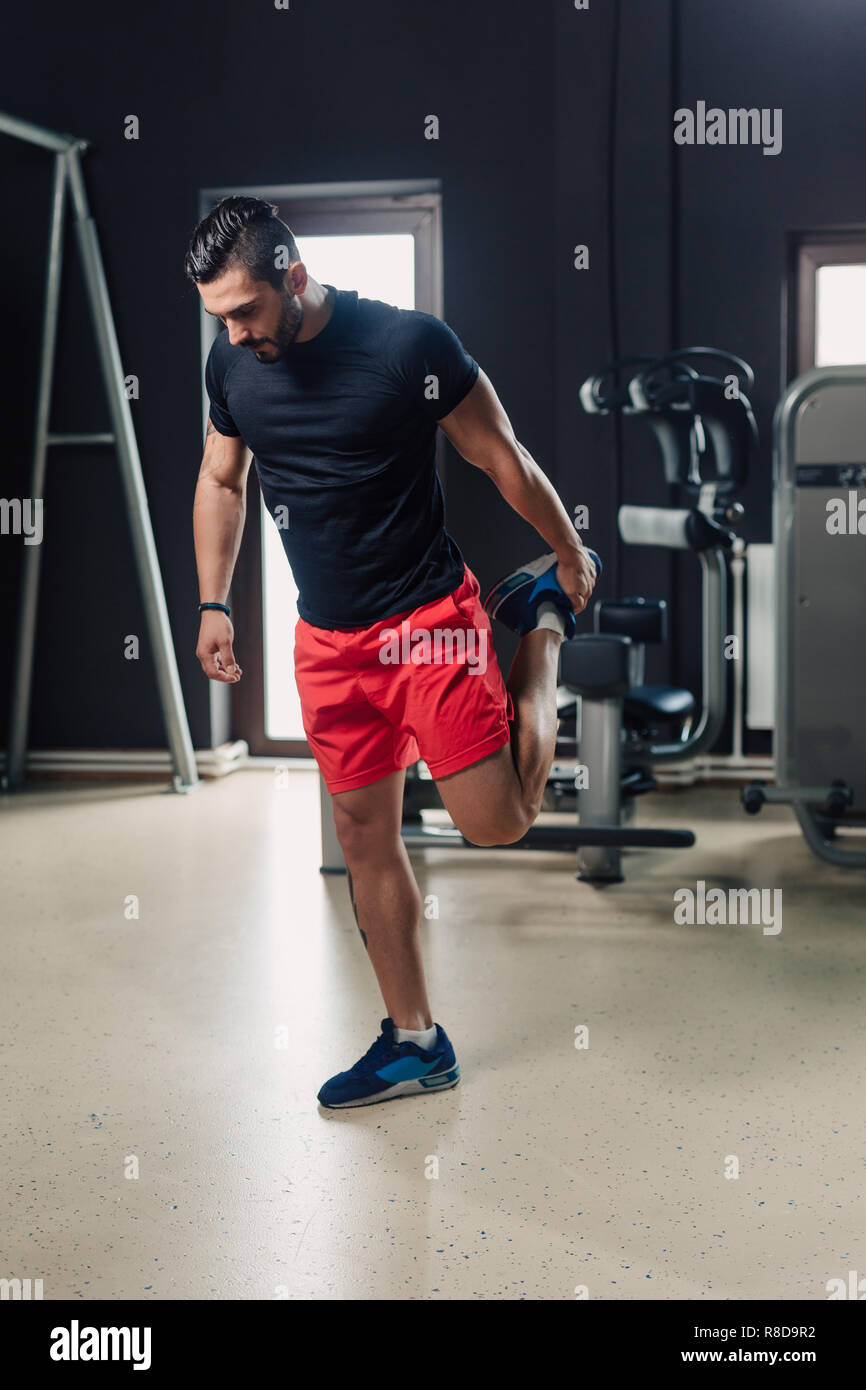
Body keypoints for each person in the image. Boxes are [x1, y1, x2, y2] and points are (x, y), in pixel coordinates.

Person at [186, 196, 599, 1109]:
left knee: (499, 820)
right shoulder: (233, 363)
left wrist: (567, 556)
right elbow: (222, 477)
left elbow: (503, 457)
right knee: (364, 834)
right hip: (329, 642)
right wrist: (213, 600)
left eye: (247, 310)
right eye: (220, 317)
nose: (235, 331)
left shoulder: (409, 348)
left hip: (430, 623)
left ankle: (538, 626)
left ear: (293, 275)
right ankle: (416, 1041)